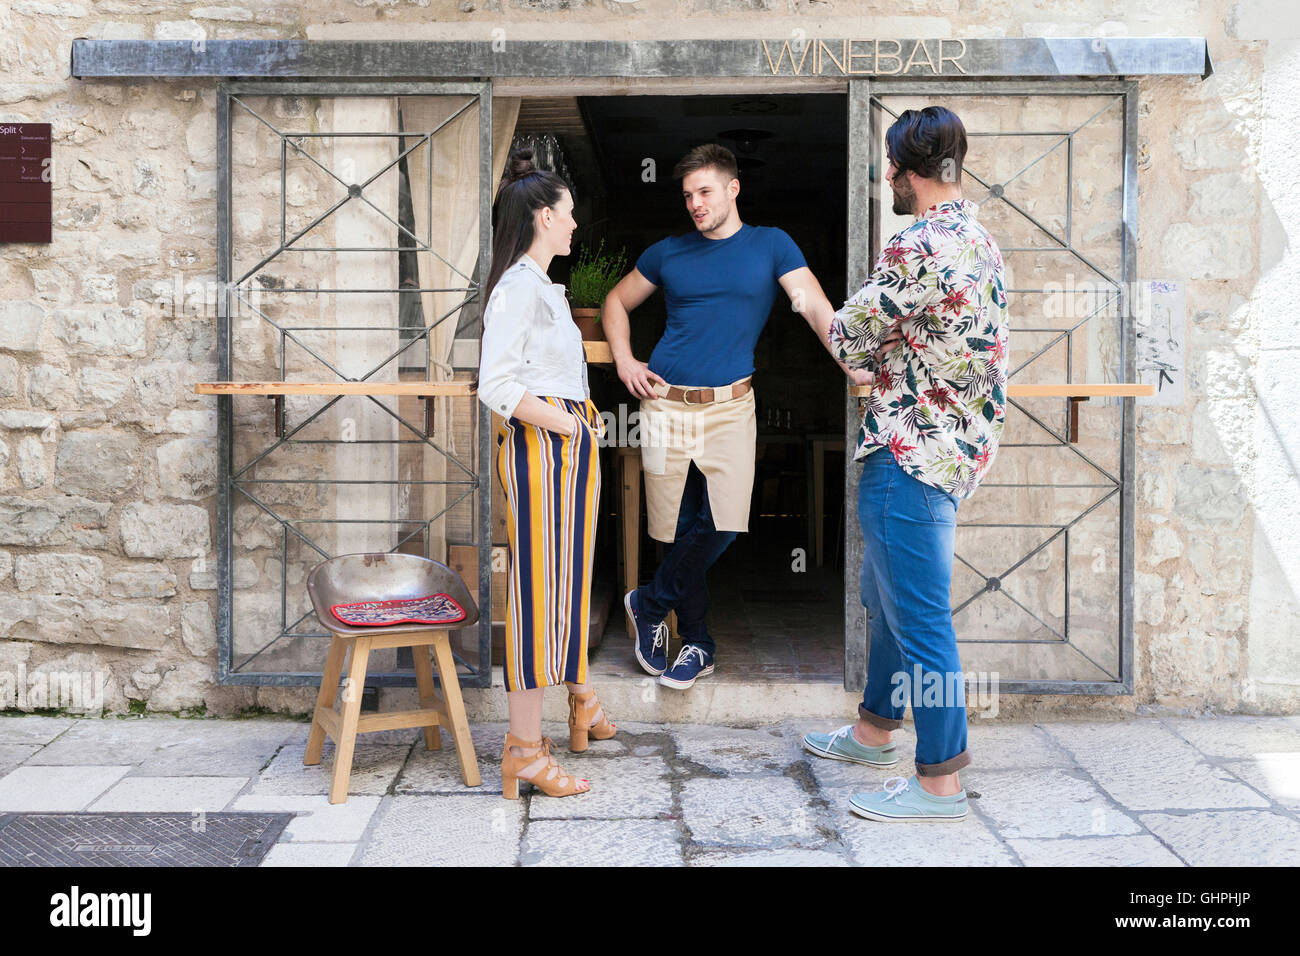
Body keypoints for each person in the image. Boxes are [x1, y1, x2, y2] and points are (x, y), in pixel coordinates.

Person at [801, 106, 1009, 822]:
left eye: (889, 166)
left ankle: (941, 783)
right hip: (952, 454)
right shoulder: (982, 242)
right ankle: (872, 732)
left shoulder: (916, 243)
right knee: (884, 599)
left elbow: (849, 339)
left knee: (920, 620)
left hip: (906, 455)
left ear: (907, 171)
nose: (885, 177)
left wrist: (814, 306)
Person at [602, 143, 864, 691]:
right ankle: (698, 644)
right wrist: (625, 359)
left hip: (731, 408)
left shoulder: (771, 245)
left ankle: (648, 603)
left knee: (722, 523)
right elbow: (615, 302)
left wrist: (853, 367)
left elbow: (816, 308)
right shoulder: (668, 253)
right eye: (688, 196)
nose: (695, 204)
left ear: (732, 189)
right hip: (665, 403)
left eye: (704, 192)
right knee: (676, 530)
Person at [477, 148, 616, 799]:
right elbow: (496, 386)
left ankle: (579, 698)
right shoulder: (516, 290)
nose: (574, 225)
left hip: (564, 445)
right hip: (544, 448)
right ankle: (525, 751)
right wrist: (567, 427)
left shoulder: (540, 288)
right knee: (537, 596)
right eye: (567, 215)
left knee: (565, 585)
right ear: (541, 217)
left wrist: (576, 427)